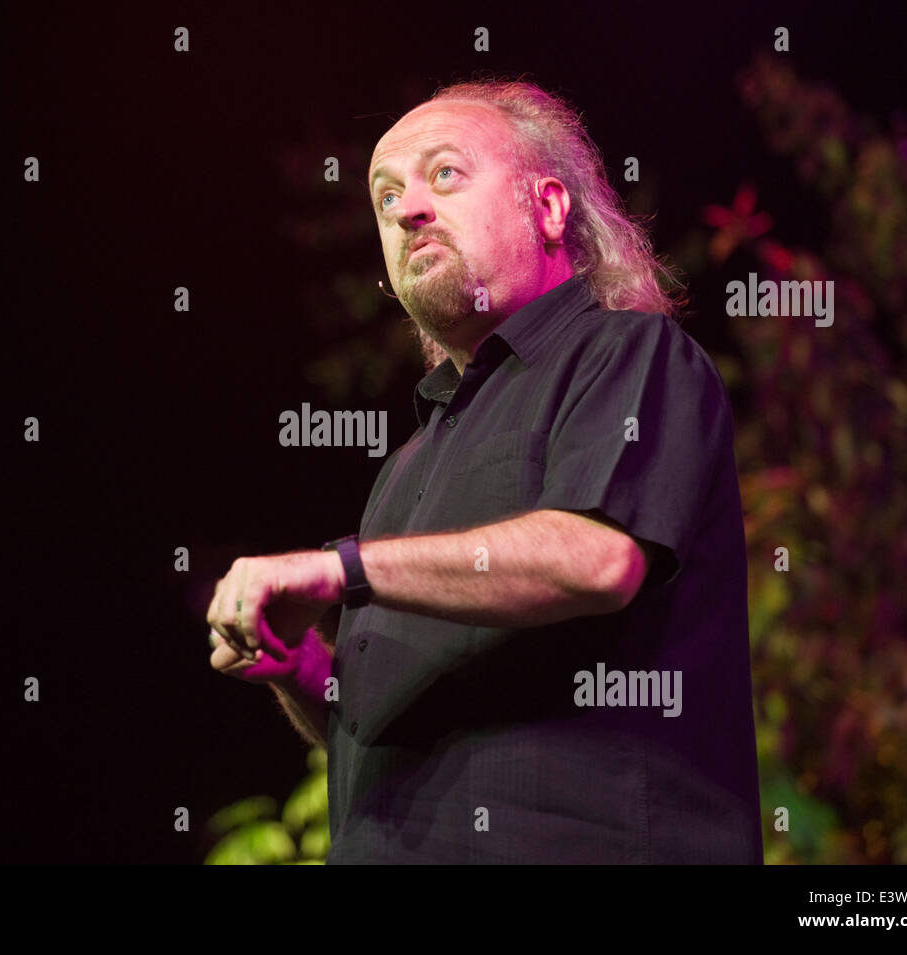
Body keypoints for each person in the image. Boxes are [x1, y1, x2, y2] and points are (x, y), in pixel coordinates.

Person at [207, 78, 763, 864]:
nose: (405, 210)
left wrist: (339, 570)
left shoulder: (630, 355)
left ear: (548, 209)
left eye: (443, 174)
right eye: (385, 194)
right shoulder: (405, 467)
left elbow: (600, 557)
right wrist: (298, 668)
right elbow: (376, 739)